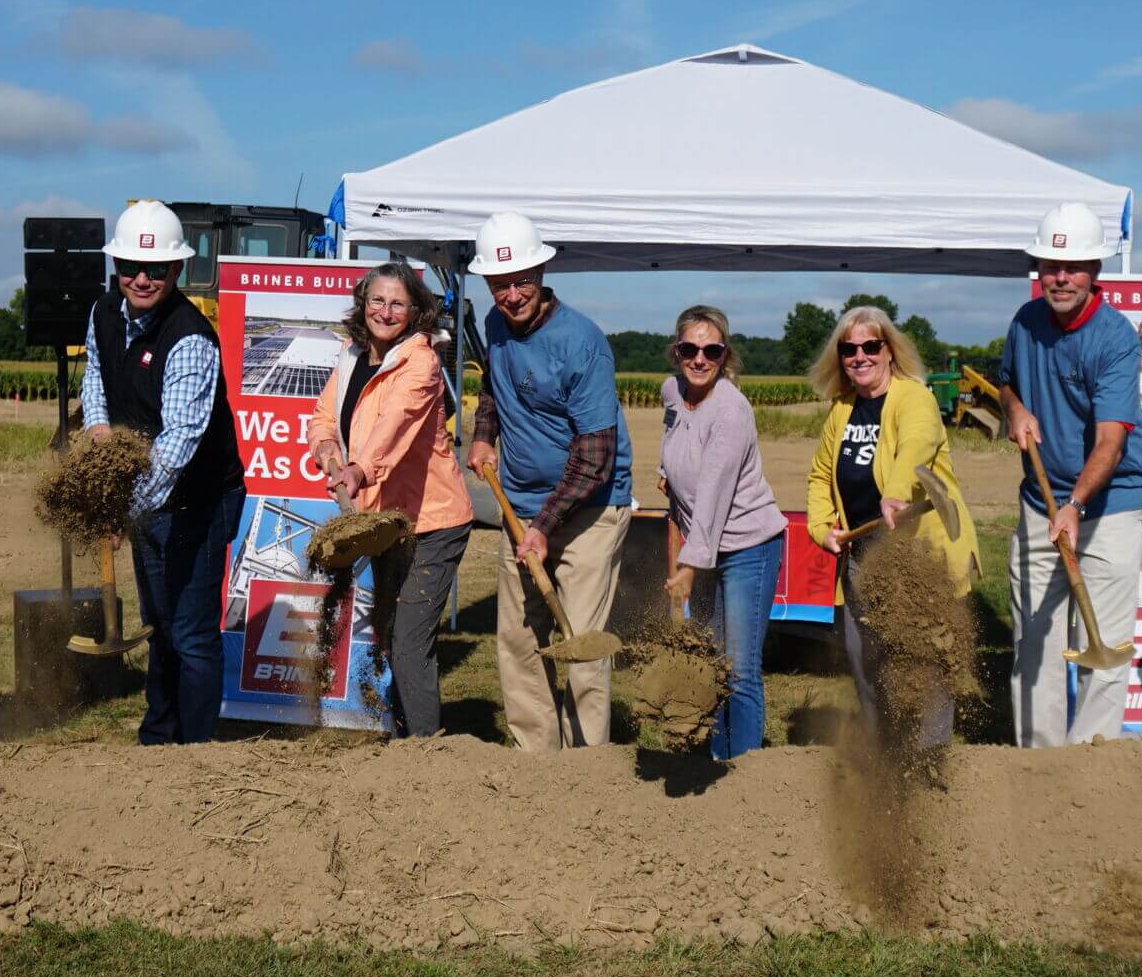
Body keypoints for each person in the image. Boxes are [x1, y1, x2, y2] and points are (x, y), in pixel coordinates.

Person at [463, 212, 633, 751]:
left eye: (521, 282)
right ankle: (538, 762)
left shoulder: (581, 343)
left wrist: (543, 526)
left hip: (589, 512)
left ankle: (586, 767)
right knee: (517, 639)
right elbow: (493, 389)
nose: (511, 296)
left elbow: (595, 456)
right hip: (522, 507)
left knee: (581, 645)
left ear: (540, 271)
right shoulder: (493, 326)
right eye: (499, 284)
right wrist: (484, 436)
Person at [78, 199, 246, 746]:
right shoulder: (104, 312)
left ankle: (195, 749)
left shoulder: (190, 337)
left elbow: (178, 444)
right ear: (116, 268)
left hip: (198, 497)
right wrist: (100, 433)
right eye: (130, 267)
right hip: (146, 495)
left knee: (192, 629)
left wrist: (123, 509)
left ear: (177, 270)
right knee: (159, 621)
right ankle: (159, 734)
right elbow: (97, 377)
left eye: (156, 269)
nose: (142, 278)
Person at [1000, 201, 1142, 748]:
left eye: (1074, 266)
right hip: (1040, 503)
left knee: (1103, 646)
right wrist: (1014, 409)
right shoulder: (1024, 321)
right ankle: (1039, 769)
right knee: (1034, 643)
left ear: (1096, 271)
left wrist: (1077, 506)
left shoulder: (1115, 338)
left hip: (1108, 506)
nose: (1060, 277)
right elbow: (1007, 383)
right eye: (1050, 266)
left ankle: (1090, 772)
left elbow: (1111, 442)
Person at [308, 262, 473, 739]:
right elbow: (323, 415)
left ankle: (423, 751)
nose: (386, 310)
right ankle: (405, 739)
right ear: (363, 303)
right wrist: (324, 447)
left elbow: (393, 427)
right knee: (391, 631)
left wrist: (359, 469)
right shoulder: (351, 354)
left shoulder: (420, 362)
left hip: (433, 524)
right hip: (386, 524)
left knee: (408, 639)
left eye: (398, 302)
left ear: (416, 310)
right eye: (377, 300)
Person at [805, 305, 978, 753]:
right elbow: (821, 476)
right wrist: (821, 527)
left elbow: (916, 446)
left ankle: (927, 764)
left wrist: (897, 492)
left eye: (870, 346)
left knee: (923, 666)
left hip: (918, 561)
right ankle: (886, 763)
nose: (860, 356)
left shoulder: (913, 398)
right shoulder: (841, 410)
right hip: (863, 561)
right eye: (849, 349)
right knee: (869, 668)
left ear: (889, 351)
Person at [659, 306, 788, 759]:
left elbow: (713, 494)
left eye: (711, 350)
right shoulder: (671, 391)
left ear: (724, 354)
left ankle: (746, 773)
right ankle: (715, 759)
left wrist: (691, 566)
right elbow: (676, 439)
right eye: (690, 349)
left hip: (748, 546)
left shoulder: (731, 411)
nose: (700, 358)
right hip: (706, 547)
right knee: (711, 660)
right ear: (677, 352)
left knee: (739, 667)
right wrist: (666, 472)